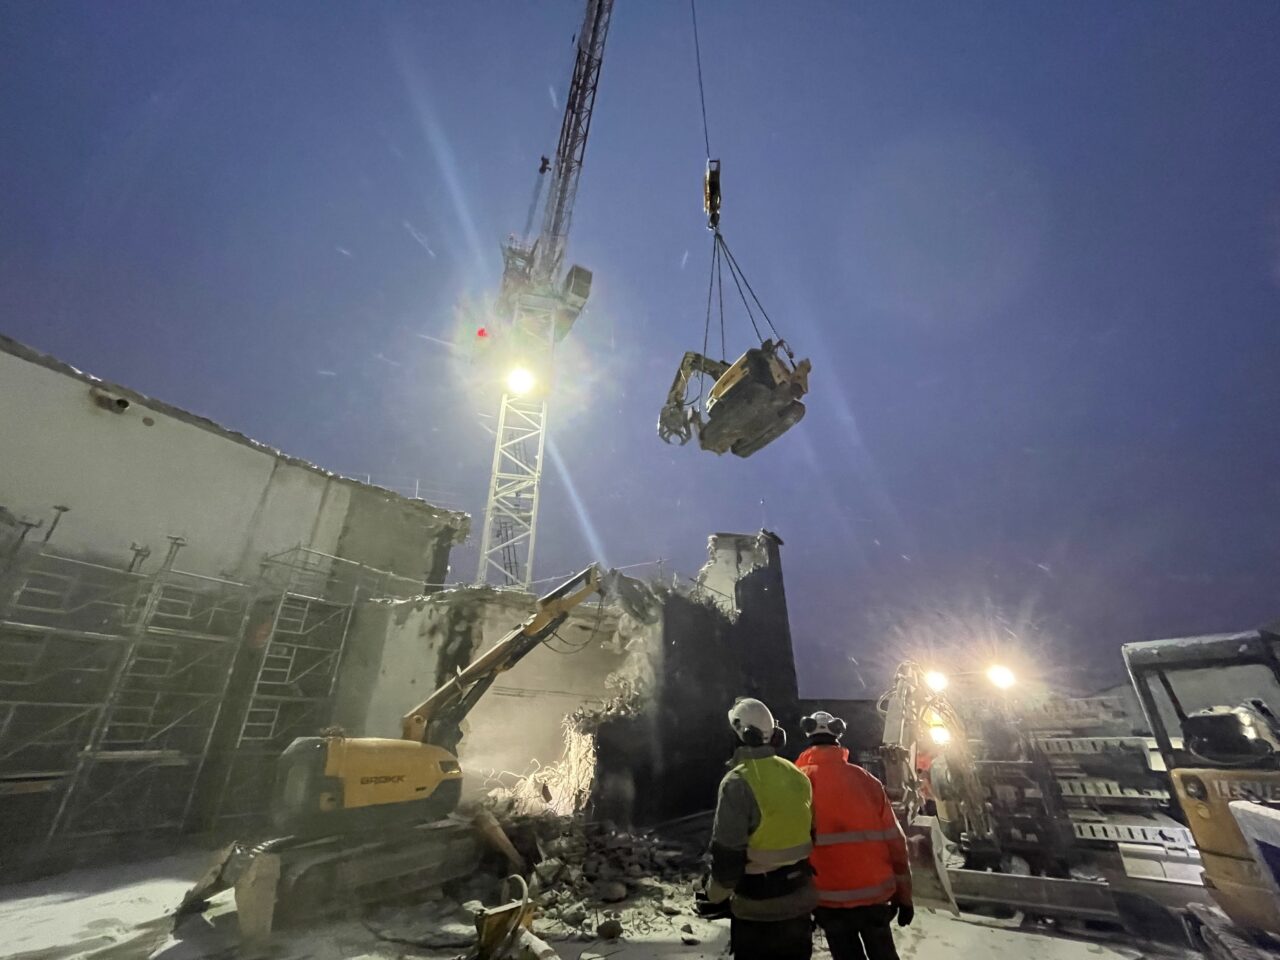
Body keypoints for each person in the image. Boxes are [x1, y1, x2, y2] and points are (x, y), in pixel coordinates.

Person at [703, 697, 818, 960]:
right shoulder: (797, 775)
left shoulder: (736, 782)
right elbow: (811, 833)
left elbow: (728, 857)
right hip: (799, 904)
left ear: (742, 735)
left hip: (758, 911)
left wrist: (713, 894)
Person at [796, 710, 913, 960]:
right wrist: (905, 896)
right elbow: (896, 842)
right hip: (875, 897)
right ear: (838, 737)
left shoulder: (799, 783)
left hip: (828, 900)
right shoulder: (867, 781)